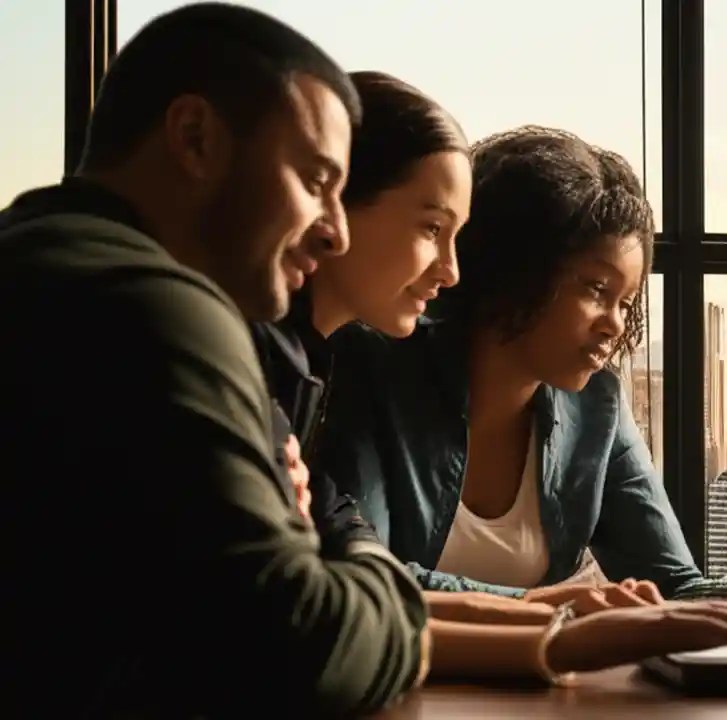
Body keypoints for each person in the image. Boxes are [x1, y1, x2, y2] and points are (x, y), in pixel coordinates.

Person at [255, 71, 727, 681]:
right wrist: (560, 616)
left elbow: (670, 585)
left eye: (626, 302)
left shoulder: (595, 407)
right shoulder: (366, 368)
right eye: (596, 290)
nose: (614, 324)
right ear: (517, 270)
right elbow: (370, 578)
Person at [0, 4, 433, 716]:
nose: (336, 233)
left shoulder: (39, 262)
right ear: (195, 137)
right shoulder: (155, 306)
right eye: (315, 181)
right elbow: (301, 649)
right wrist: (380, 582)